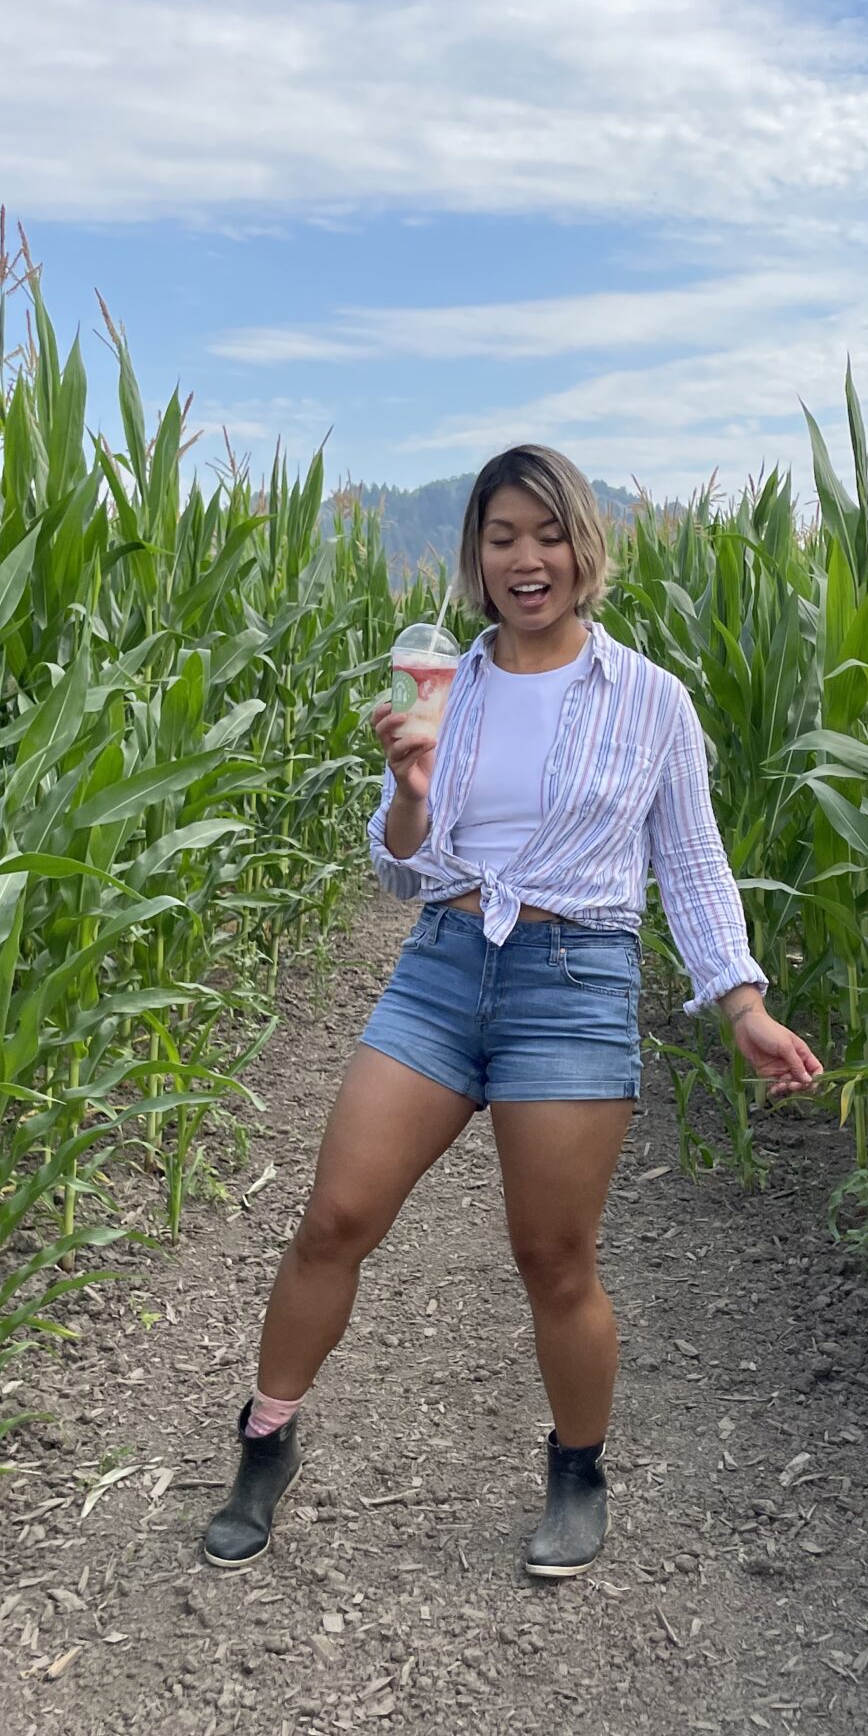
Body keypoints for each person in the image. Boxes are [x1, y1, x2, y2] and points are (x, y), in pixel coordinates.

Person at [202, 443, 822, 1579]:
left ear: (585, 548)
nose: (525, 559)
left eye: (546, 535)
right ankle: (265, 1440)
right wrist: (410, 794)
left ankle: (577, 1469)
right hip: (442, 964)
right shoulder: (439, 682)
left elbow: (690, 863)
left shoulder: (650, 699)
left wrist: (742, 1004)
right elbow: (397, 870)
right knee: (335, 1216)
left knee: (554, 1256)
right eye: (501, 539)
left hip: (575, 981)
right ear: (477, 562)